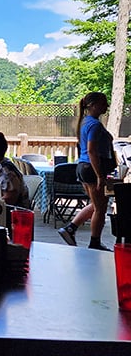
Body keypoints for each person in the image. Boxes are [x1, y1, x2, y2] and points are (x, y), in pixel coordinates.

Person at [58, 92, 115, 250]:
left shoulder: (85, 122)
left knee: (97, 204)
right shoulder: (94, 125)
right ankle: (94, 243)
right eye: (103, 103)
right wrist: (99, 176)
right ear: (93, 105)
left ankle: (70, 229)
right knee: (100, 209)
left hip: (82, 167)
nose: (106, 106)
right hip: (91, 168)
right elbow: (91, 150)